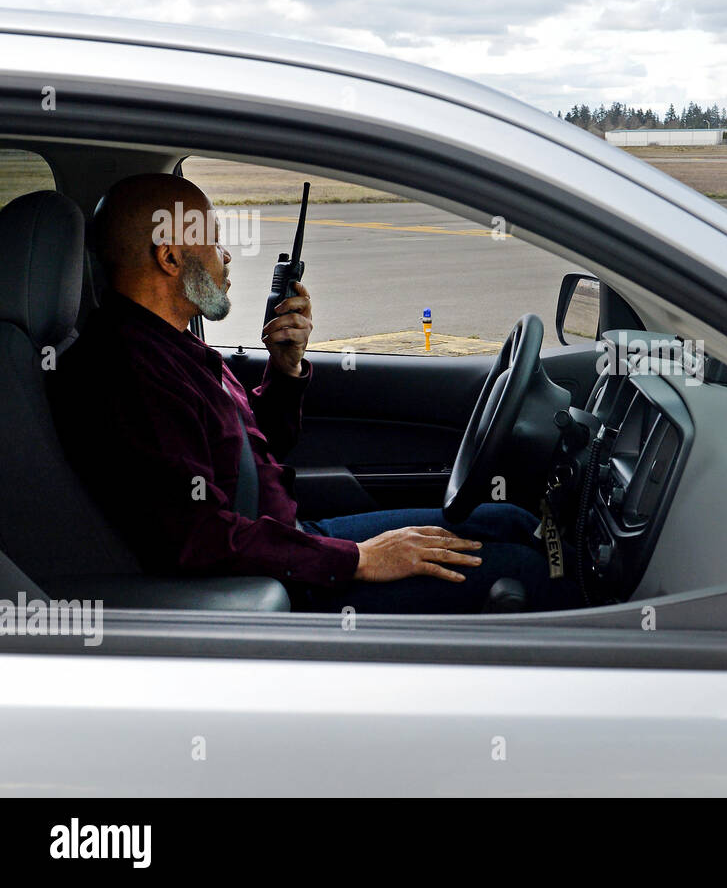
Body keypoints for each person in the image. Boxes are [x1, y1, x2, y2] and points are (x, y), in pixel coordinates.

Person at [49, 173, 581, 613]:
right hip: (279, 580)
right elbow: (197, 536)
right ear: (169, 258)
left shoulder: (168, 344)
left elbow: (252, 453)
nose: (227, 257)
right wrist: (355, 560)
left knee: (512, 521)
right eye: (213, 240)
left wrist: (285, 368)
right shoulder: (129, 373)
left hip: (287, 539)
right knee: (534, 573)